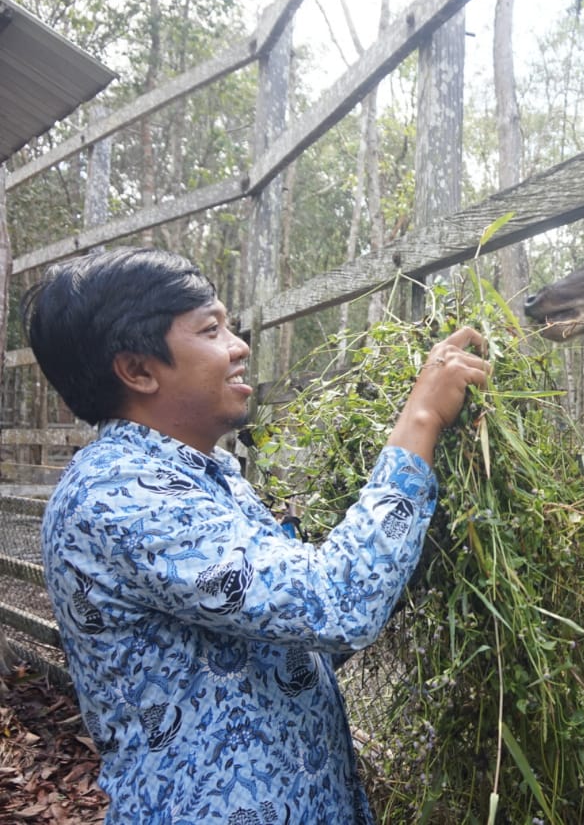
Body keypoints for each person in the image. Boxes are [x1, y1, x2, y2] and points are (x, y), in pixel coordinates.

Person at [21, 246, 489, 824]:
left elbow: (285, 637)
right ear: (138, 370)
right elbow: (337, 604)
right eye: (211, 330)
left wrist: (407, 548)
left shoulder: (203, 476)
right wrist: (421, 420)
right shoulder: (120, 495)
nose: (239, 345)